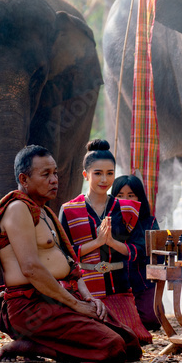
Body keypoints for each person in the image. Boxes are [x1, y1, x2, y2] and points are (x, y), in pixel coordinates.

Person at [0, 145, 142, 363]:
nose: (54, 180)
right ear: (24, 179)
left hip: (59, 299)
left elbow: (70, 264)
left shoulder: (44, 211)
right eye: (46, 174)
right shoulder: (18, 209)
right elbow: (31, 269)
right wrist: (76, 304)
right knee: (113, 348)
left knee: (130, 344)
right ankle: (29, 346)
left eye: (55, 173)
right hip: (31, 308)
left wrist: (88, 297)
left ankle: (42, 343)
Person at [59, 140, 152, 345]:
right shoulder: (68, 210)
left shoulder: (128, 209)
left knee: (131, 341)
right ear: (85, 175)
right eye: (98, 173)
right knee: (93, 339)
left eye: (110, 173)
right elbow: (62, 255)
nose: (104, 179)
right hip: (83, 291)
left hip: (119, 289)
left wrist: (111, 242)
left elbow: (138, 250)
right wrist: (97, 242)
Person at [110, 174, 160, 331]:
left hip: (143, 282)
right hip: (117, 284)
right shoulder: (108, 220)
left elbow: (148, 250)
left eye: (131, 195)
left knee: (152, 319)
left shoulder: (149, 222)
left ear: (140, 198)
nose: (125, 200)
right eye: (120, 196)